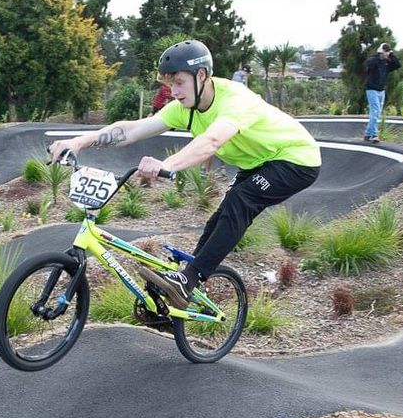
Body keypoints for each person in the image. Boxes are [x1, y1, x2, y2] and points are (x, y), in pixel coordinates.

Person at [48, 39, 321, 309]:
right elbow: (132, 130)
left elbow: (211, 141)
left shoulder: (235, 100)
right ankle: (178, 297)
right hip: (258, 163)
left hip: (295, 159)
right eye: (169, 85)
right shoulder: (185, 108)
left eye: (179, 83)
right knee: (216, 223)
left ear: (201, 75)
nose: (174, 92)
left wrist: (168, 164)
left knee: (241, 201)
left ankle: (188, 279)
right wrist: (79, 142)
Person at [362, 43, 400, 142]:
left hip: (381, 90)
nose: (386, 53)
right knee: (375, 112)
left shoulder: (387, 63)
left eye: (387, 51)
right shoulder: (374, 59)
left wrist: (390, 55)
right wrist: (379, 54)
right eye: (385, 50)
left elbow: (397, 65)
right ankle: (374, 134)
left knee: (376, 113)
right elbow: (369, 64)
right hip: (371, 89)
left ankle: (367, 133)